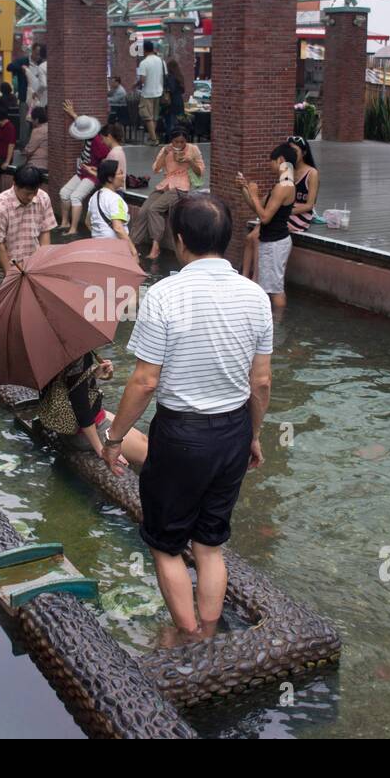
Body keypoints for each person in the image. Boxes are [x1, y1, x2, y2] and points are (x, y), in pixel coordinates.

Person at [102, 194, 273, 643]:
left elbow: (143, 381)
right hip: (234, 430)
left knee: (166, 544)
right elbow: (261, 382)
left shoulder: (163, 295)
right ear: (227, 238)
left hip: (181, 436)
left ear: (179, 241)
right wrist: (252, 435)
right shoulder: (256, 297)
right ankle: (208, 632)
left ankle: (186, 632)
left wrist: (115, 437)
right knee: (210, 544)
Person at [39, 351, 148, 469]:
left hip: (78, 422)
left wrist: (94, 374)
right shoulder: (77, 355)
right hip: (86, 430)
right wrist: (101, 449)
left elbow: (68, 387)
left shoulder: (53, 352)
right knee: (148, 453)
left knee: (144, 440)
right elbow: (81, 408)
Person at [129, 128, 203, 261]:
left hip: (181, 186)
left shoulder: (193, 149)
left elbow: (200, 172)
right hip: (165, 184)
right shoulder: (166, 149)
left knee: (154, 209)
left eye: (182, 142)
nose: (179, 145)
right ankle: (132, 245)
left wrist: (190, 161)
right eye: (176, 142)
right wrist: (165, 154)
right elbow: (156, 169)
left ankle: (155, 246)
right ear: (171, 141)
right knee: (143, 211)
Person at [239, 145, 297, 310]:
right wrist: (244, 189)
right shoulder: (282, 184)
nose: (270, 165)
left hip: (275, 243)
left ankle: (278, 327)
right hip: (273, 241)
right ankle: (275, 324)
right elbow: (256, 207)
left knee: (274, 290)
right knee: (271, 287)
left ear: (281, 160)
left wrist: (255, 194)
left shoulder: (284, 186)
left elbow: (264, 217)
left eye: (272, 162)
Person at [0, 164, 56, 275]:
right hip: (6, 266)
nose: (31, 197)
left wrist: (43, 262)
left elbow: (45, 231)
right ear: (15, 185)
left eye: (34, 192)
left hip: (34, 264)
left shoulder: (43, 197)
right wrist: (10, 274)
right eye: (27, 193)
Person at [57, 100, 110, 234]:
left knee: (75, 197)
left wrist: (95, 171)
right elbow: (81, 123)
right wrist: (73, 113)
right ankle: (65, 222)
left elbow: (107, 164)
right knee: (64, 193)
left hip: (93, 175)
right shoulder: (88, 133)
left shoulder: (99, 143)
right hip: (82, 172)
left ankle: (73, 229)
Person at [87, 159, 139, 261]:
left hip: (97, 247)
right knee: (112, 277)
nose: (123, 176)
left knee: (104, 275)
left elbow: (88, 222)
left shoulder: (94, 197)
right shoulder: (115, 199)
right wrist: (133, 251)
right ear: (110, 178)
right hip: (114, 250)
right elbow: (118, 228)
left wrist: (101, 235)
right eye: (120, 173)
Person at [285, 135, 321, 234]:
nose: (291, 154)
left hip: (301, 216)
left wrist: (284, 212)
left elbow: (309, 205)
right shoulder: (286, 169)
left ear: (304, 153)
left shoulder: (312, 173)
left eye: (295, 152)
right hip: (285, 212)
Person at [136, 41, 166, 145]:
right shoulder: (161, 61)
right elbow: (164, 75)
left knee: (147, 116)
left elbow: (142, 80)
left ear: (144, 50)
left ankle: (154, 139)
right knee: (154, 117)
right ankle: (152, 137)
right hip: (159, 92)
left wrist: (136, 84)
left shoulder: (144, 63)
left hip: (147, 93)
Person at [164, 59, 186, 141]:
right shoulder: (180, 76)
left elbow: (171, 89)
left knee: (171, 123)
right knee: (179, 123)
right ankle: (180, 139)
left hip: (172, 102)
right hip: (179, 101)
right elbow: (183, 90)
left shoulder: (170, 77)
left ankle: (171, 140)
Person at [23, 107, 49, 174]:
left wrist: (25, 150)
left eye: (32, 119)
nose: (31, 121)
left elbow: (29, 150)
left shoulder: (37, 131)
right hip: (47, 165)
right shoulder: (49, 127)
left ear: (37, 120)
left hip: (36, 165)